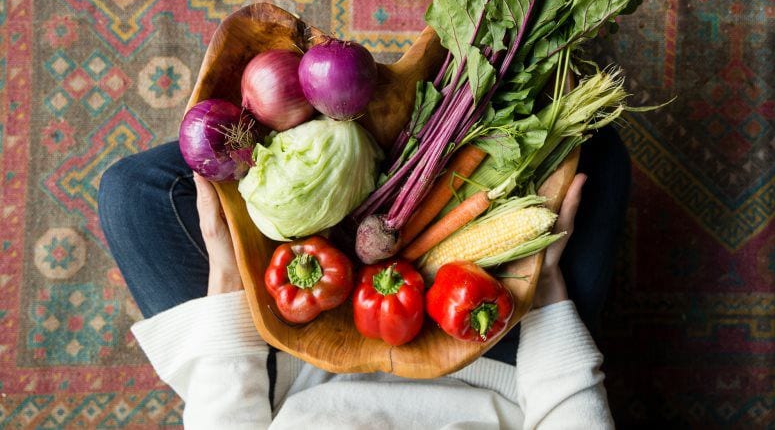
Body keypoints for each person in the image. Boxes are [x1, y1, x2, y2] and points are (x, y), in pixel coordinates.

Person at [98, 127, 630, 429]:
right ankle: (386, 143)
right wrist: (546, 292)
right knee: (594, 145)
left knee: (134, 194)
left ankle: (351, 139)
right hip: (495, 360)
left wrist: (227, 286)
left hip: (291, 378)